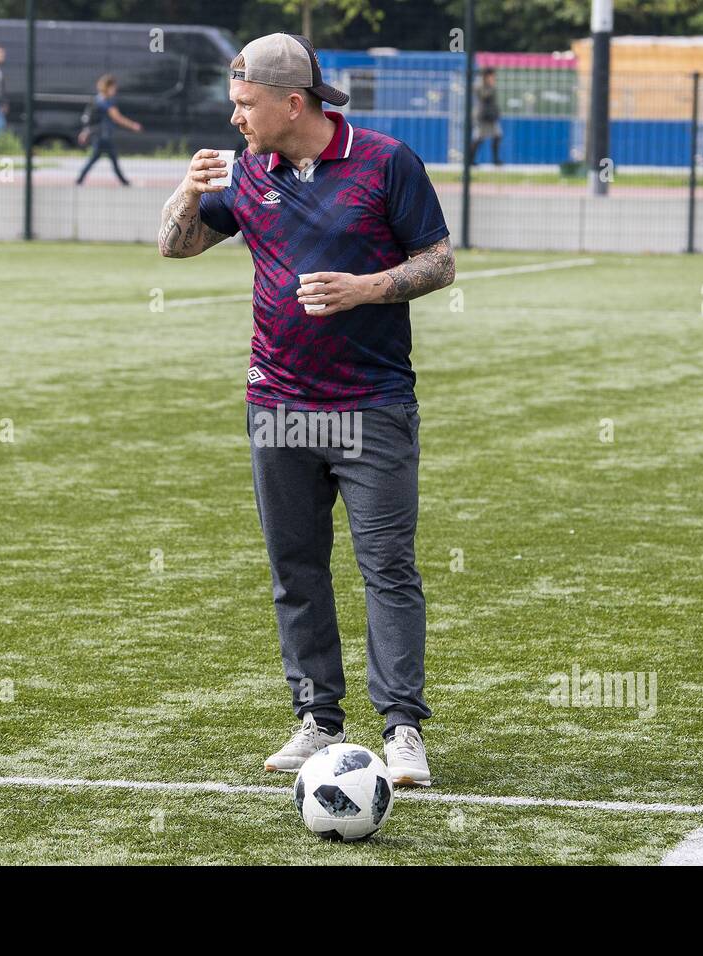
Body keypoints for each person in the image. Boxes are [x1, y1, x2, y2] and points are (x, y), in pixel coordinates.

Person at [157, 33, 455, 787]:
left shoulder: (387, 162)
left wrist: (366, 288)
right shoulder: (248, 169)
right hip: (278, 402)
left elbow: (440, 262)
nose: (235, 118)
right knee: (296, 567)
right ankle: (317, 718)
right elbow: (175, 247)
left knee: (386, 566)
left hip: (373, 404)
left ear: (294, 103)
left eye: (246, 104)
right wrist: (188, 191)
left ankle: (403, 730)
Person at [76, 74, 143, 186]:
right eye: (114, 87)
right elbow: (117, 118)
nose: (115, 90)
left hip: (99, 135)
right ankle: (124, 182)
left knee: (101, 158)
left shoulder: (97, 99)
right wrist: (133, 125)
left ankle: (80, 179)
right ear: (108, 87)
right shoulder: (106, 102)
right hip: (104, 136)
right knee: (104, 158)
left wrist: (85, 132)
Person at [471, 66, 503, 166]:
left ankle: (496, 159)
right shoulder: (479, 85)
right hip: (481, 116)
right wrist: (489, 87)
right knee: (478, 138)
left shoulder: (491, 86)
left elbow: (494, 102)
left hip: (491, 116)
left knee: (497, 136)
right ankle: (470, 160)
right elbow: (483, 97)